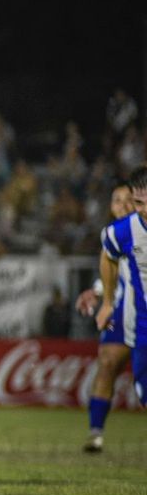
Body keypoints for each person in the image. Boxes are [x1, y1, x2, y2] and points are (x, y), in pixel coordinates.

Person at [75, 182, 134, 452]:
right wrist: (98, 293)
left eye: (127, 200)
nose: (121, 206)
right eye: (116, 200)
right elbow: (116, 272)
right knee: (107, 362)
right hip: (123, 310)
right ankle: (95, 433)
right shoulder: (114, 235)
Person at [95, 169, 147, 427]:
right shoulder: (121, 232)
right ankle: (95, 432)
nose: (143, 208)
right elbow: (108, 257)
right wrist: (105, 301)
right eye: (138, 203)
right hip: (138, 323)